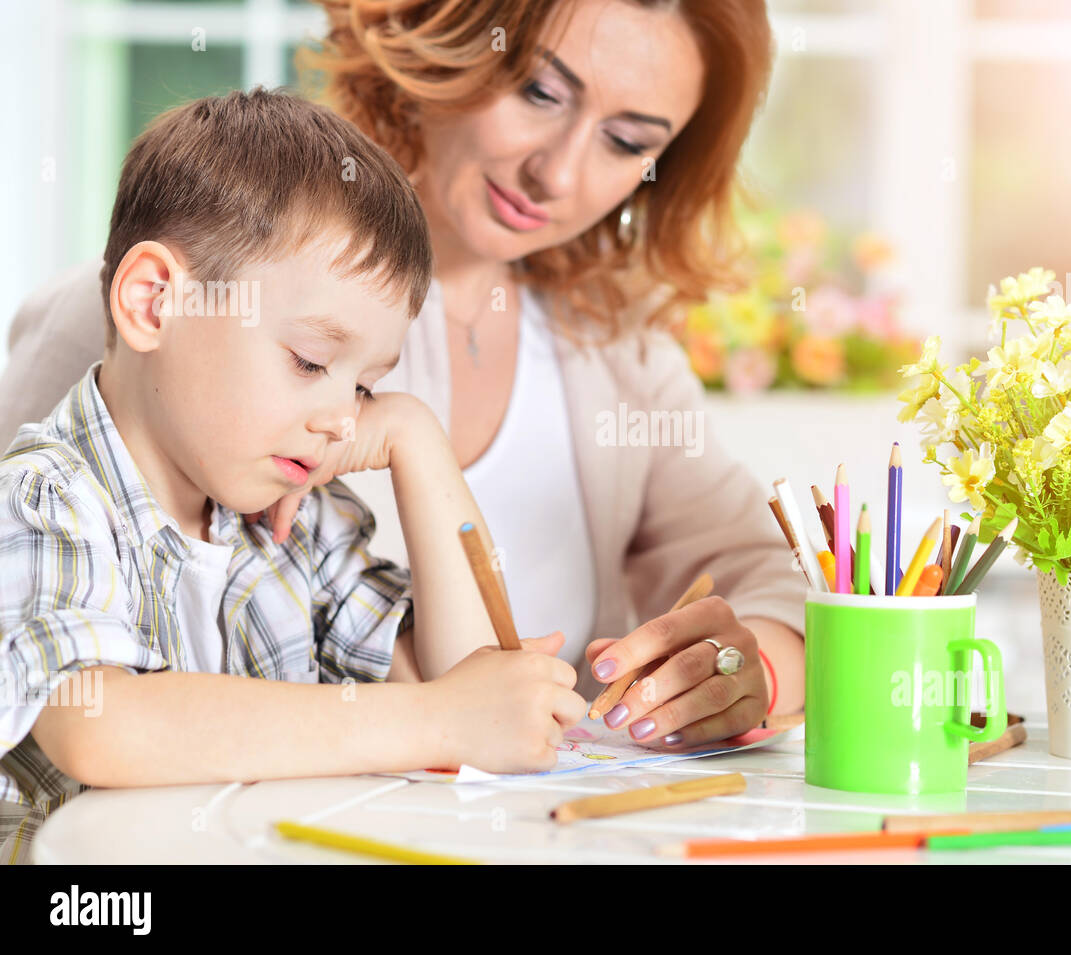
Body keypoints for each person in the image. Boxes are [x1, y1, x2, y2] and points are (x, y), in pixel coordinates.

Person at [0, 0, 806, 758]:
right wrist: (438, 721)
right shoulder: (150, 329)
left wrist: (750, 672)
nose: (556, 173)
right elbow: (74, 710)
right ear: (445, 38)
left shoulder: (618, 352)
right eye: (539, 91)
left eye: (629, 142)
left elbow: (776, 577)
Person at [0, 89, 587, 865]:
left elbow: (459, 671)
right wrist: (439, 718)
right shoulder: (47, 496)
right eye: (311, 361)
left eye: (364, 384)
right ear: (154, 302)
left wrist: (414, 436)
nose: (343, 419)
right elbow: (102, 723)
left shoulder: (298, 517)